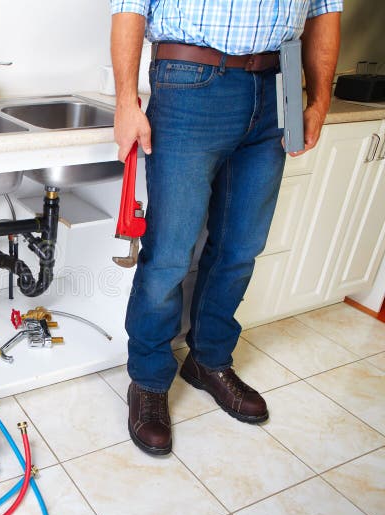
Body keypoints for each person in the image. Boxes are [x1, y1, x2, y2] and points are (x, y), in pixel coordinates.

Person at [110, 0, 342, 455]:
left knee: (240, 248)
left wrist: (319, 99)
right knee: (170, 254)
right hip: (190, 81)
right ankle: (151, 379)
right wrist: (125, 99)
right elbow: (130, 3)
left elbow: (325, 11)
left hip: (278, 88)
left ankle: (209, 360)